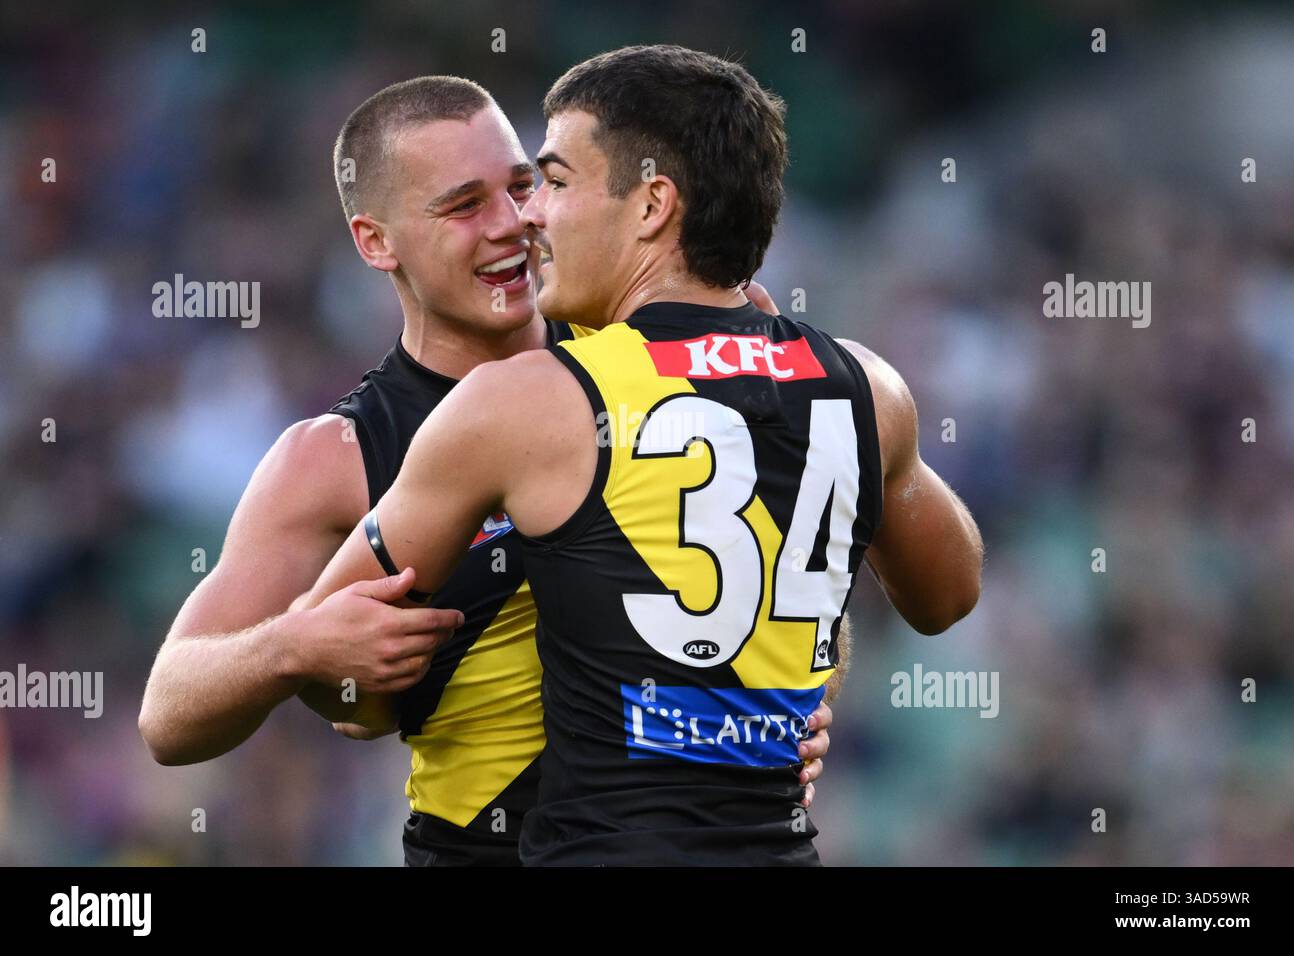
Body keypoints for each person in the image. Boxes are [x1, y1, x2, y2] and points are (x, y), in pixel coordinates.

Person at [300, 46, 983, 865]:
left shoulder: (526, 400)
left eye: (554, 181)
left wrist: (364, 694)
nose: (533, 217)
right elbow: (946, 596)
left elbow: (333, 668)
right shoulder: (866, 388)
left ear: (652, 204)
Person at [138, 75, 834, 866]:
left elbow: (820, 535)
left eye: (523, 185)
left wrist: (801, 700)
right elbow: (168, 715)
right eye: (464, 205)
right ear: (376, 241)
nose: (513, 225)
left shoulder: (670, 345)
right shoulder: (333, 456)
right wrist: (292, 647)